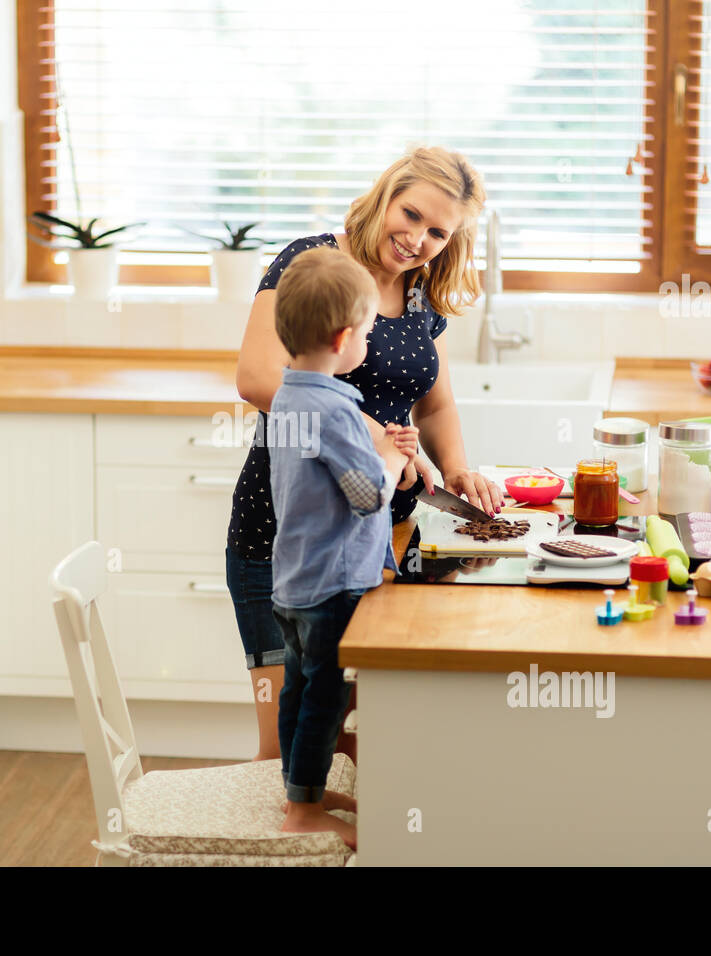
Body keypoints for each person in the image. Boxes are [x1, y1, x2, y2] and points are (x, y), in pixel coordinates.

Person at [226, 145, 505, 760]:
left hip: (372, 542)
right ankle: (282, 851)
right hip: (284, 540)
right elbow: (254, 377)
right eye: (411, 215)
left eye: (438, 232)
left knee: (346, 739)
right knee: (288, 746)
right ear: (386, 194)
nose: (417, 240)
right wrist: (367, 431)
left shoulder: (419, 295)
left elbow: (434, 406)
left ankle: (339, 851)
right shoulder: (313, 263)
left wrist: (455, 467)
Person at [265, 247, 419, 848]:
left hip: (294, 579)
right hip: (333, 585)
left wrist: (387, 450)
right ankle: (303, 814)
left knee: (298, 690)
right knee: (325, 700)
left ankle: (299, 790)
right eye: (368, 332)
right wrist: (386, 457)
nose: (370, 342)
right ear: (343, 336)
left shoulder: (288, 397)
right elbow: (364, 495)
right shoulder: (335, 411)